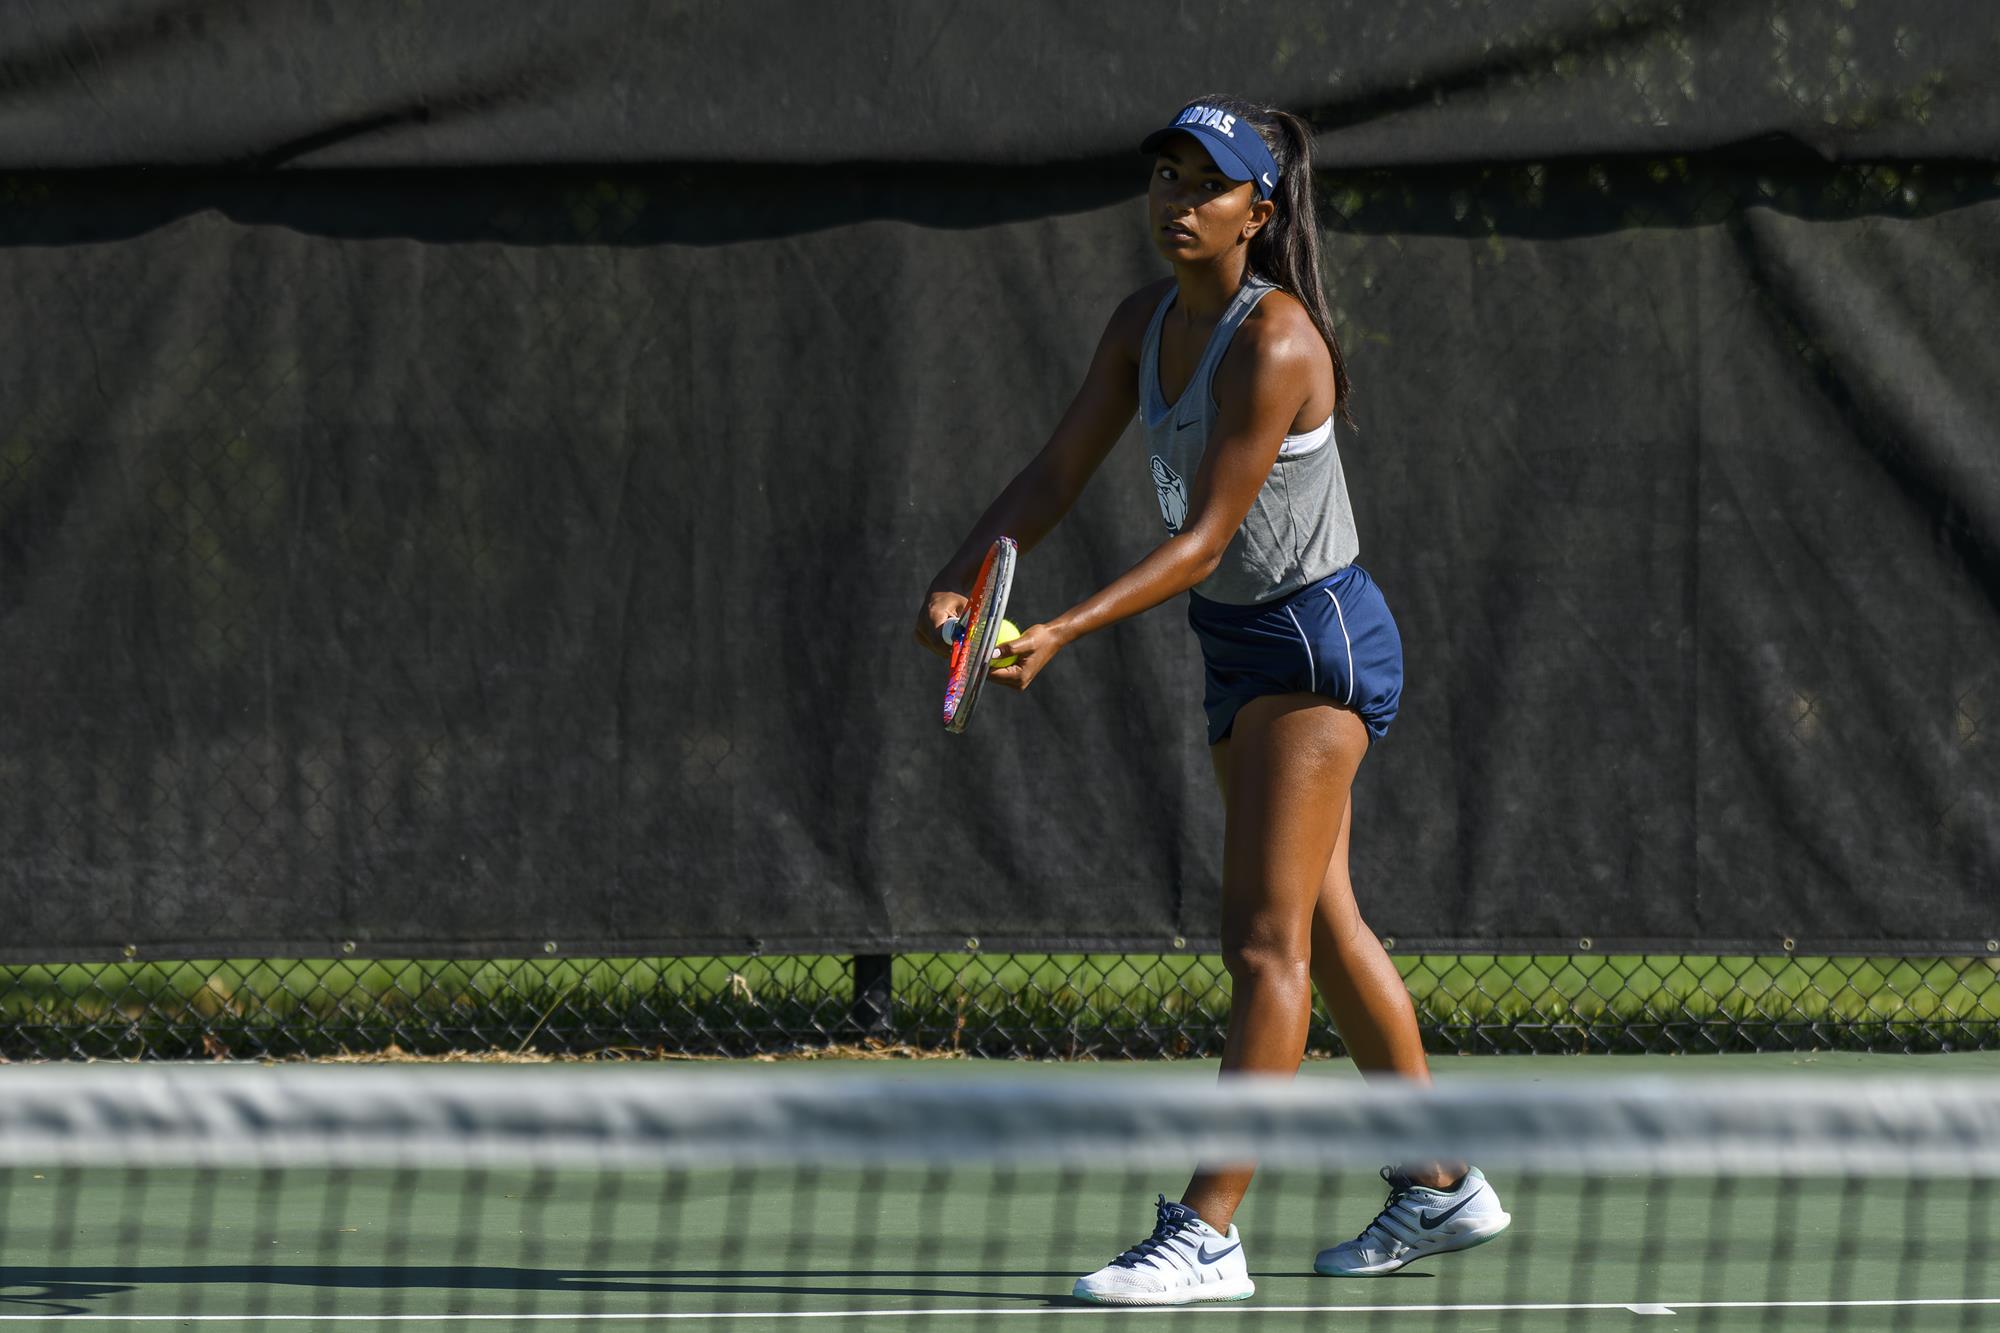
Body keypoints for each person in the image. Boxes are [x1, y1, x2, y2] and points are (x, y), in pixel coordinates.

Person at [913, 95, 1510, 1306]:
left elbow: (1201, 540)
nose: (1177, 201)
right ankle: (1444, 1179)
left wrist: (1063, 627)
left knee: (1260, 941)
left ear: (1259, 209)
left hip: (1314, 643)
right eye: (1165, 179)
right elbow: (1055, 469)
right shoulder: (1139, 324)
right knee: (1324, 925)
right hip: (1239, 641)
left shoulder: (1277, 342)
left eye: (1206, 183)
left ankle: (1207, 1231)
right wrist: (962, 576)